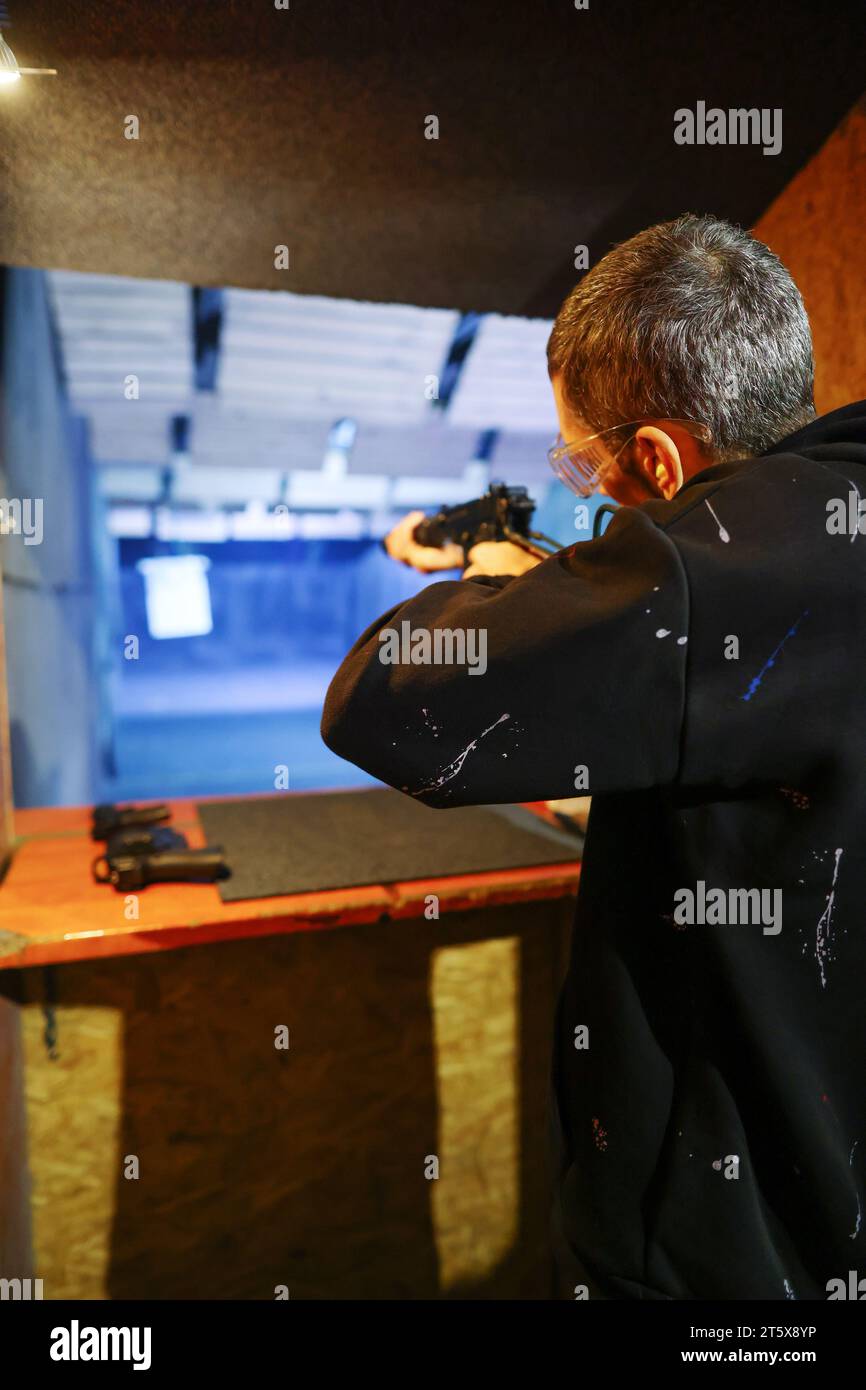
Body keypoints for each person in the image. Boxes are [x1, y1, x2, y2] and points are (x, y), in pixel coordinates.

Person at [322, 214, 866, 1300]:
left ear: (659, 456)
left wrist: (495, 575)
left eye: (590, 462)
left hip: (731, 1247)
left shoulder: (702, 571)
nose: (591, 486)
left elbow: (379, 694)